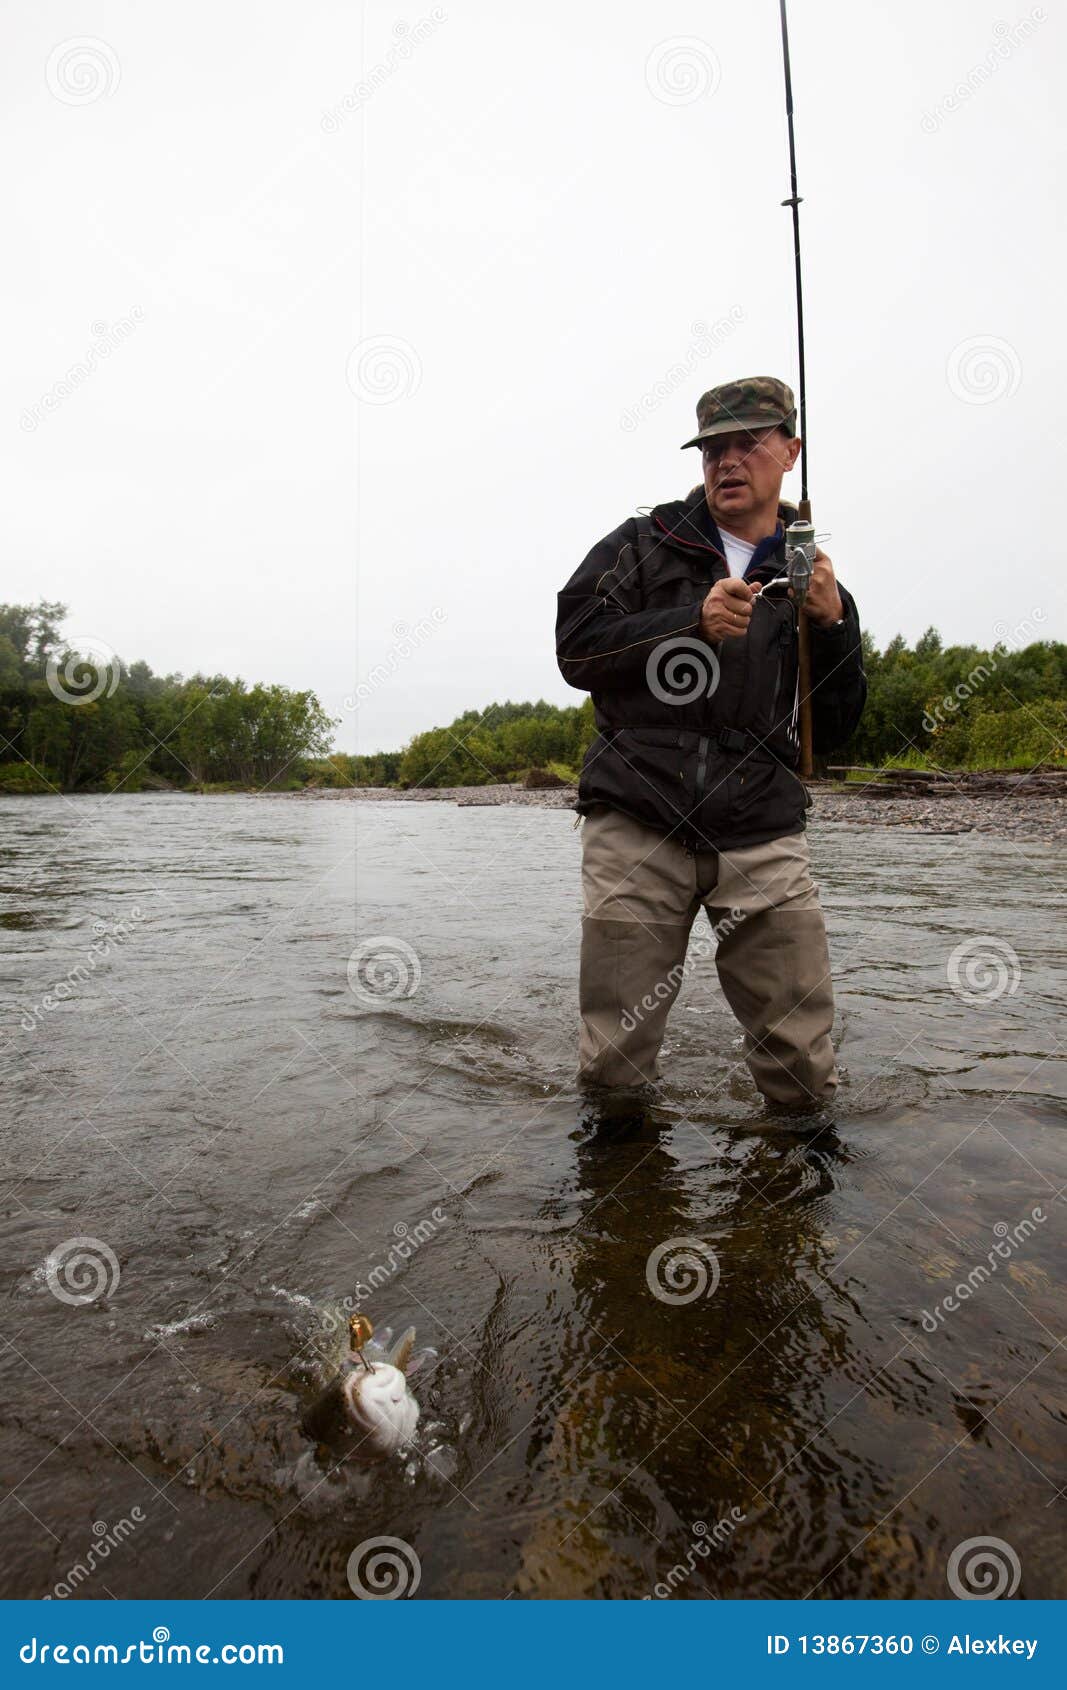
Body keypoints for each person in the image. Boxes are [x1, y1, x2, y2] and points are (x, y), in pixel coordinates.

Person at [555, 376, 867, 1112]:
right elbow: (576, 650)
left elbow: (842, 726)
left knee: (800, 1069)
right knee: (614, 1063)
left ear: (789, 451)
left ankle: (795, 1204)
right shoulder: (639, 542)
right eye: (713, 449)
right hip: (636, 818)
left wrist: (833, 627)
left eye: (749, 443)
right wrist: (685, 624)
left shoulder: (811, 578)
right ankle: (620, 1198)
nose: (728, 462)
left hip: (761, 827)